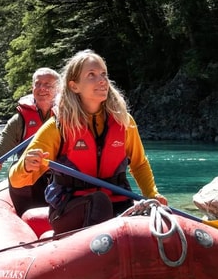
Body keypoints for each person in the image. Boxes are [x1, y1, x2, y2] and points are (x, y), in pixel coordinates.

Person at [9, 49, 167, 235]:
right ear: (74, 86)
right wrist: (27, 167)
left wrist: (152, 194)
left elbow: (139, 164)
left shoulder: (124, 122)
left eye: (103, 74)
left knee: (153, 212)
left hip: (119, 205)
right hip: (69, 209)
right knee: (99, 201)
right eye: (91, 75)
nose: (102, 80)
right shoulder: (57, 127)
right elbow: (17, 181)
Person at [0, 67, 60, 212]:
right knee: (17, 169)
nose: (42, 88)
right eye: (38, 84)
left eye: (48, 85)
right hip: (29, 177)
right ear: (32, 88)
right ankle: (27, 217)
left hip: (60, 177)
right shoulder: (20, 120)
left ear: (58, 90)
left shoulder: (68, 117)